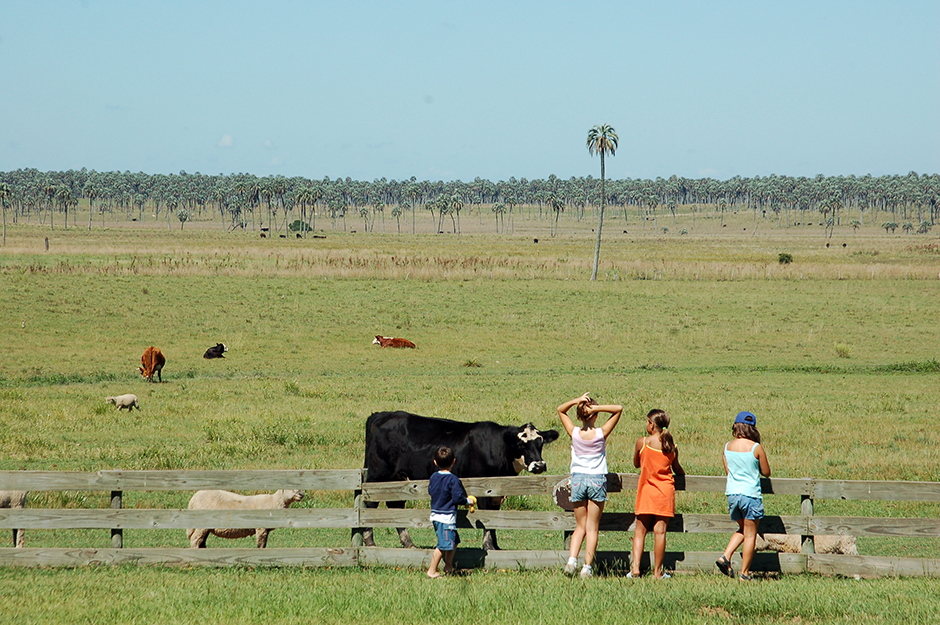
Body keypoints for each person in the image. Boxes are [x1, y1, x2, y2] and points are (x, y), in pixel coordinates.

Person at [557, 392, 623, 578]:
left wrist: (577, 400)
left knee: (580, 526)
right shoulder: (601, 433)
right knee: (593, 527)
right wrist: (597, 408)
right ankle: (587, 567)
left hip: (578, 480)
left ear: (579, 416)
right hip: (596, 479)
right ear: (594, 415)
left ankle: (571, 561)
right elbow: (618, 409)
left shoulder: (574, 432)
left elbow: (561, 410)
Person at [716, 410, 771, 581]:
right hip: (750, 495)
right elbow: (766, 472)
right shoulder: (756, 448)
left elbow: (728, 471)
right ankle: (744, 574)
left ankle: (725, 556)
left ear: (735, 426)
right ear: (752, 429)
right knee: (750, 535)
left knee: (743, 529)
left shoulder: (727, 447)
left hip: (732, 494)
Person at [630, 409, 685, 579]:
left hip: (647, 491)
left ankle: (636, 569)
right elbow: (677, 470)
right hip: (665, 493)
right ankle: (658, 572)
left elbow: (636, 464)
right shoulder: (671, 446)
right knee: (660, 532)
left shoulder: (643, 442)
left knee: (640, 531)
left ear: (651, 424)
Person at [426, 446, 476, 578]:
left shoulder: (434, 477)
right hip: (446, 518)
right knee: (442, 545)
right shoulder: (453, 480)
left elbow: (430, 491)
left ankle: (448, 566)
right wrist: (468, 501)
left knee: (455, 540)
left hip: (436, 516)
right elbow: (458, 498)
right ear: (454, 461)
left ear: (435, 462)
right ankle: (432, 570)